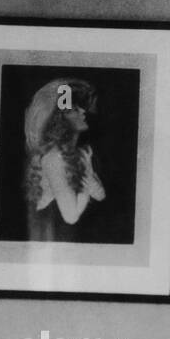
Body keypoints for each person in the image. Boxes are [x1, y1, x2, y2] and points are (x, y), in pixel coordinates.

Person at [22, 78, 107, 242]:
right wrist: (86, 182)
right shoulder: (53, 158)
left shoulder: (78, 153)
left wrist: (88, 175)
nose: (83, 112)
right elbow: (71, 216)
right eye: (75, 108)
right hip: (48, 234)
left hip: (67, 237)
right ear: (60, 120)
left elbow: (101, 195)